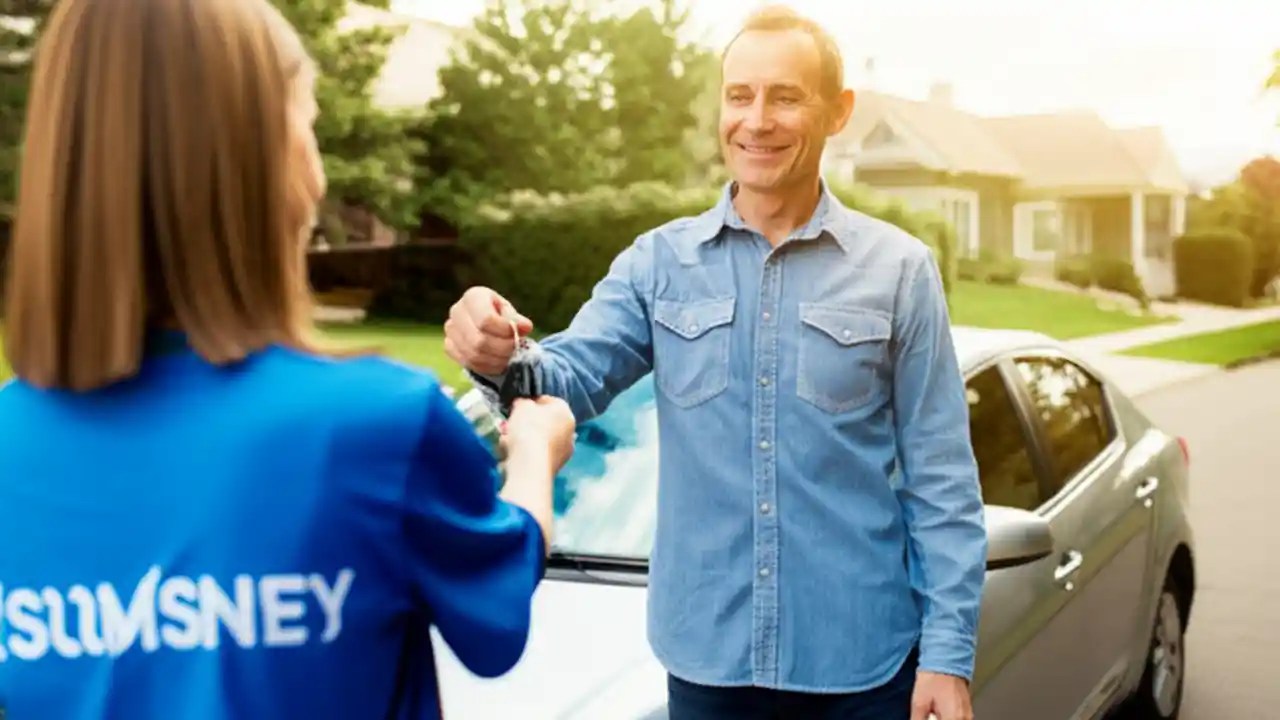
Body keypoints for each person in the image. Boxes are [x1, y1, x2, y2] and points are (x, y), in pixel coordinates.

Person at [0, 0, 576, 718]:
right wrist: (533, 457)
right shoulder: (377, 425)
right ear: (266, 158)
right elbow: (495, 620)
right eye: (308, 122)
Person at [445, 5, 986, 720]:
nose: (756, 120)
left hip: (862, 670)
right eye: (740, 95)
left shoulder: (900, 271)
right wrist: (495, 347)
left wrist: (947, 656)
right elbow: (566, 380)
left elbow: (941, 482)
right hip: (707, 671)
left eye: (785, 96)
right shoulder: (657, 264)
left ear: (837, 111)